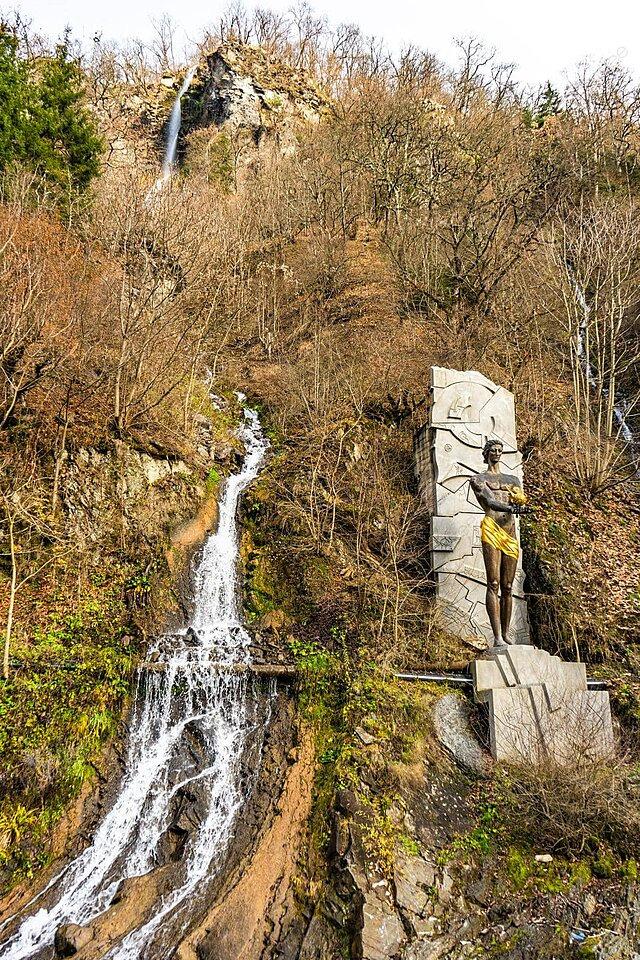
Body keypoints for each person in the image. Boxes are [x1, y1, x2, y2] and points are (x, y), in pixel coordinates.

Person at [469, 439, 527, 648]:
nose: (496, 453)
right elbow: (490, 502)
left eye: (499, 450)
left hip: (509, 531)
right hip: (492, 528)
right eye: (492, 450)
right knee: (493, 582)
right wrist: (512, 508)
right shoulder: (477, 479)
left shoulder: (513, 479)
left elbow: (519, 499)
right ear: (486, 453)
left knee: (508, 585)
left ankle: (506, 633)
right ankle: (497, 636)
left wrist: (520, 506)